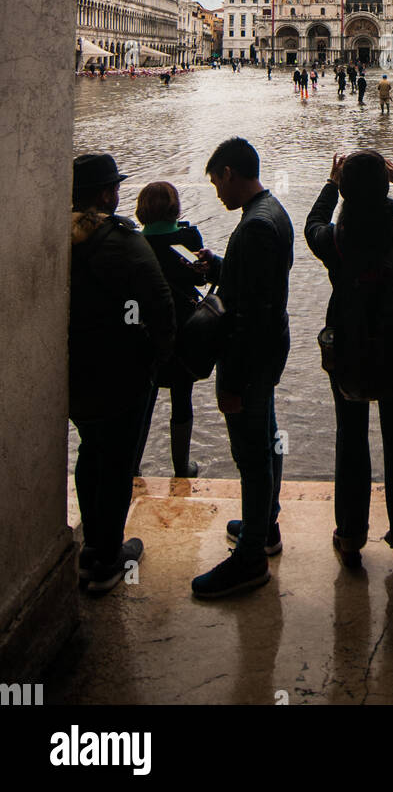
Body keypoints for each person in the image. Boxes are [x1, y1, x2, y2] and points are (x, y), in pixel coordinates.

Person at [305, 151, 393, 570]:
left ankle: (349, 536)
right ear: (385, 186)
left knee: (350, 436)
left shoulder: (335, 240)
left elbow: (312, 225)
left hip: (346, 346)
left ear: (344, 189)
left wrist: (330, 184)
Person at [191, 137, 294, 599]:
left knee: (251, 456)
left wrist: (230, 382)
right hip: (271, 348)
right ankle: (264, 526)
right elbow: (255, 283)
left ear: (231, 173)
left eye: (217, 183)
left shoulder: (253, 228)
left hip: (251, 356)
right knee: (267, 437)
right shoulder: (271, 212)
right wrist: (219, 266)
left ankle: (250, 558)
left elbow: (248, 314)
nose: (217, 194)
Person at [69, 153, 175, 594]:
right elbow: (161, 307)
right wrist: (156, 358)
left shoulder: (51, 236)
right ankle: (110, 559)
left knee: (90, 451)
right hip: (122, 374)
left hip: (73, 374)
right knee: (117, 463)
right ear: (106, 195)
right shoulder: (123, 241)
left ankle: (91, 547)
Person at [133, 181, 209, 478]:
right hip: (184, 329)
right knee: (182, 396)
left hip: (147, 330)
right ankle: (181, 467)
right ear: (174, 208)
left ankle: (133, 463)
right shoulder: (188, 236)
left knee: (144, 400)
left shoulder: (135, 242)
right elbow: (201, 280)